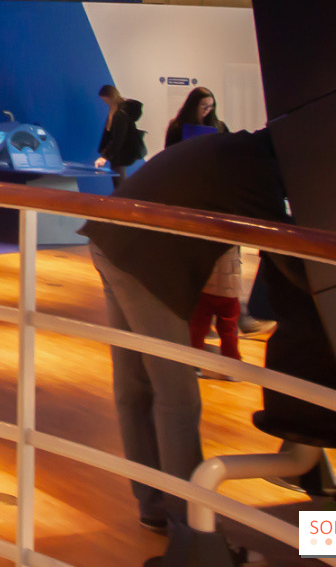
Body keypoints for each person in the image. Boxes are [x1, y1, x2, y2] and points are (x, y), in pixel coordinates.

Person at [79, 130, 290, 557]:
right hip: (145, 261)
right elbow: (286, 247)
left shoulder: (231, 148)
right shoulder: (262, 169)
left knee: (135, 386)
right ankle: (190, 524)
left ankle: (155, 505)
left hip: (111, 240)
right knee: (177, 397)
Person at [188, 248, 242, 380]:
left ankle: (194, 364)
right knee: (228, 331)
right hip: (228, 289)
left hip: (207, 287)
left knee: (197, 329)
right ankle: (232, 367)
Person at [94, 86, 146, 179]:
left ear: (110, 97)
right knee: (119, 180)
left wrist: (105, 156)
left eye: (105, 100)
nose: (105, 103)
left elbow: (118, 138)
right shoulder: (116, 111)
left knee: (120, 182)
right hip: (118, 154)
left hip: (120, 154)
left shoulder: (119, 114)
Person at [164, 86, 228, 148]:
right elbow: (169, 152)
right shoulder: (176, 127)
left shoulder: (220, 126)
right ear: (193, 105)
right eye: (203, 105)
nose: (207, 109)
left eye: (210, 106)